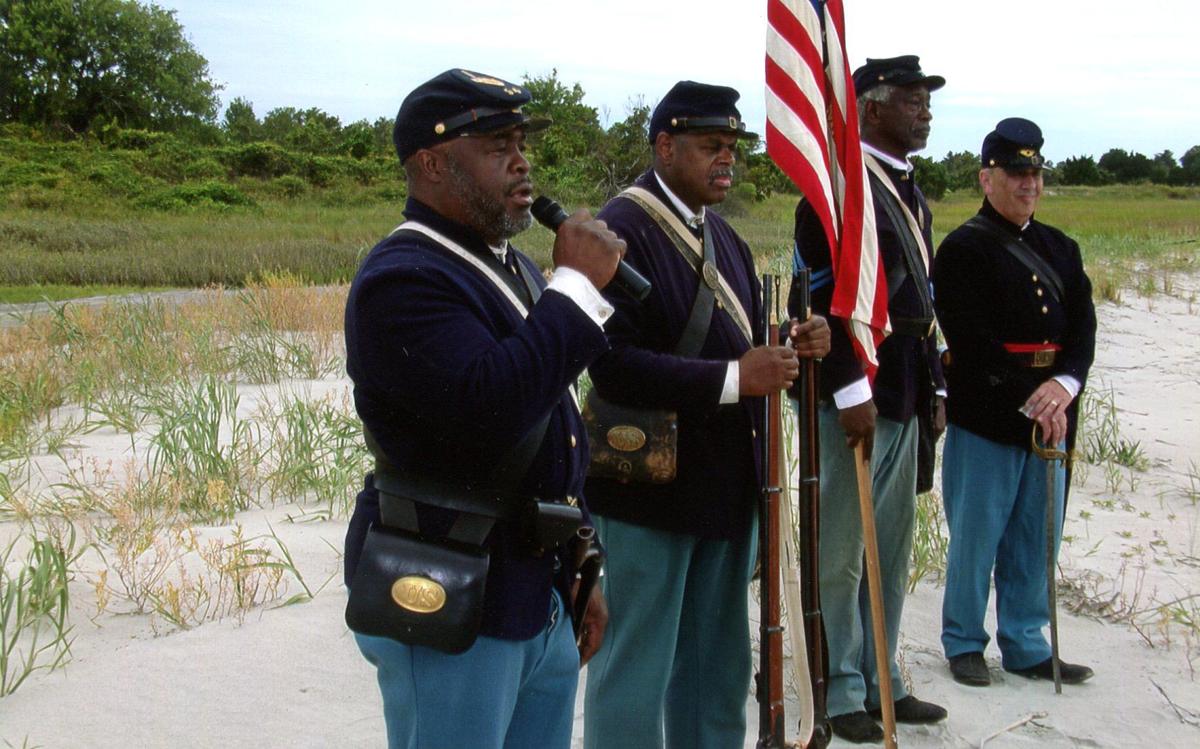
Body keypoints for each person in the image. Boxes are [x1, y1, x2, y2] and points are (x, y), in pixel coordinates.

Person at [342, 68, 626, 749]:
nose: (522, 159)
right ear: (433, 163)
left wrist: (584, 565)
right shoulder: (402, 278)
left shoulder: (518, 268)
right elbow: (491, 405)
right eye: (497, 143)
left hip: (537, 588)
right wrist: (579, 285)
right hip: (450, 586)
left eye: (521, 140)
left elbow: (553, 429)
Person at [580, 81, 830, 749]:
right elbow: (610, 363)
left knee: (716, 670)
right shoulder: (618, 229)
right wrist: (735, 377)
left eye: (732, 147)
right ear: (665, 145)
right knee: (634, 667)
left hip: (723, 484)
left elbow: (745, 346)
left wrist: (794, 345)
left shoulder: (724, 235)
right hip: (648, 486)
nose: (727, 159)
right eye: (710, 145)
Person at [789, 55, 948, 744]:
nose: (925, 110)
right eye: (911, 99)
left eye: (926, 100)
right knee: (840, 550)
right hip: (854, 389)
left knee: (889, 544)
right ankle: (839, 685)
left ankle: (884, 675)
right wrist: (851, 387)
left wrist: (936, 383)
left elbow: (922, 301)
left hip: (907, 380)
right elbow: (823, 298)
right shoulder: (832, 193)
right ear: (872, 107)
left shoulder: (911, 193)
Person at [932, 117, 1097, 688]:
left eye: (1035, 173)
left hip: (1055, 413)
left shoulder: (1061, 248)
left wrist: (1065, 387)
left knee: (1038, 534)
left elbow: (1083, 333)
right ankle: (964, 642)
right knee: (977, 537)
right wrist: (1034, 396)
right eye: (1016, 172)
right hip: (990, 413)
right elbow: (970, 341)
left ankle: (1027, 643)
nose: (1028, 183)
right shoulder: (961, 249)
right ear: (987, 178)